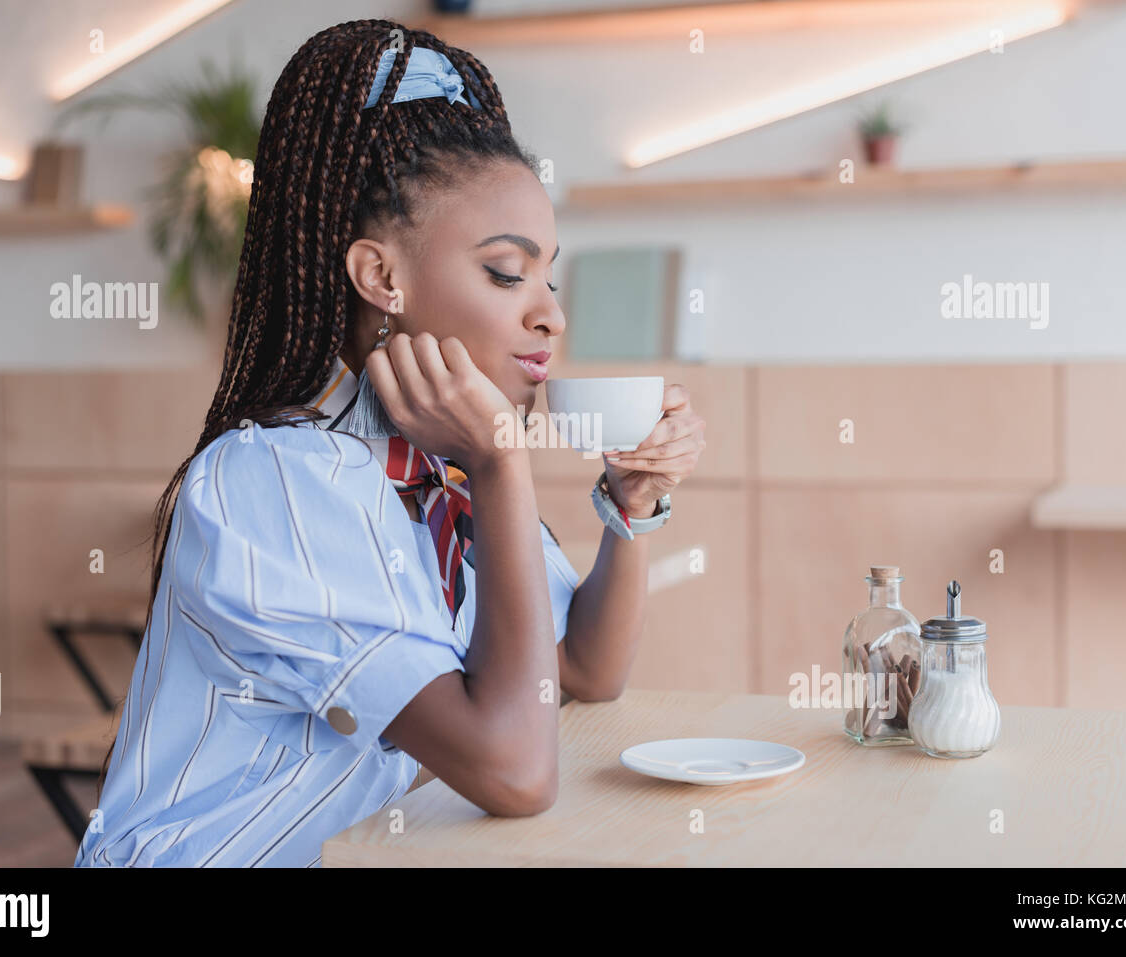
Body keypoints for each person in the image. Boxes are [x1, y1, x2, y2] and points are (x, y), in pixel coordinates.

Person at [75, 18, 705, 867]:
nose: (551, 311)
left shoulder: (431, 469)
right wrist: (499, 461)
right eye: (506, 273)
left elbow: (582, 672)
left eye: (548, 275)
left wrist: (631, 506)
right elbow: (515, 768)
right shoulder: (274, 483)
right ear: (381, 277)